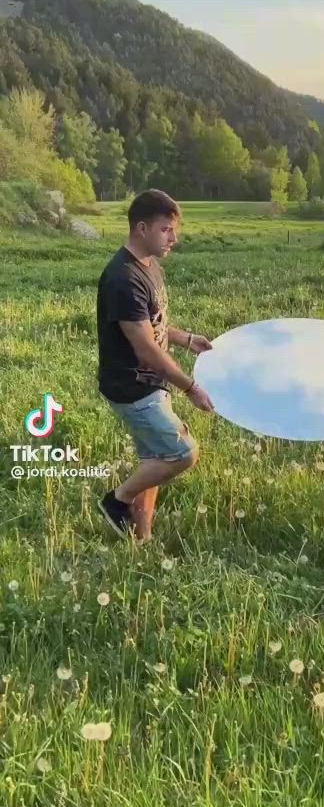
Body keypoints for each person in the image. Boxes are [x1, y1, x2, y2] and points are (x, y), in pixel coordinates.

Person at [96, 189, 214, 542]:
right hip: (133, 387)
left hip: (151, 384)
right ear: (142, 228)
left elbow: (153, 325)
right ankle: (118, 499)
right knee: (182, 453)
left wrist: (185, 339)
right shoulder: (123, 279)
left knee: (155, 459)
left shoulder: (149, 267)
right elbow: (146, 348)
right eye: (166, 230)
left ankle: (141, 537)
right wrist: (190, 387)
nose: (174, 238)